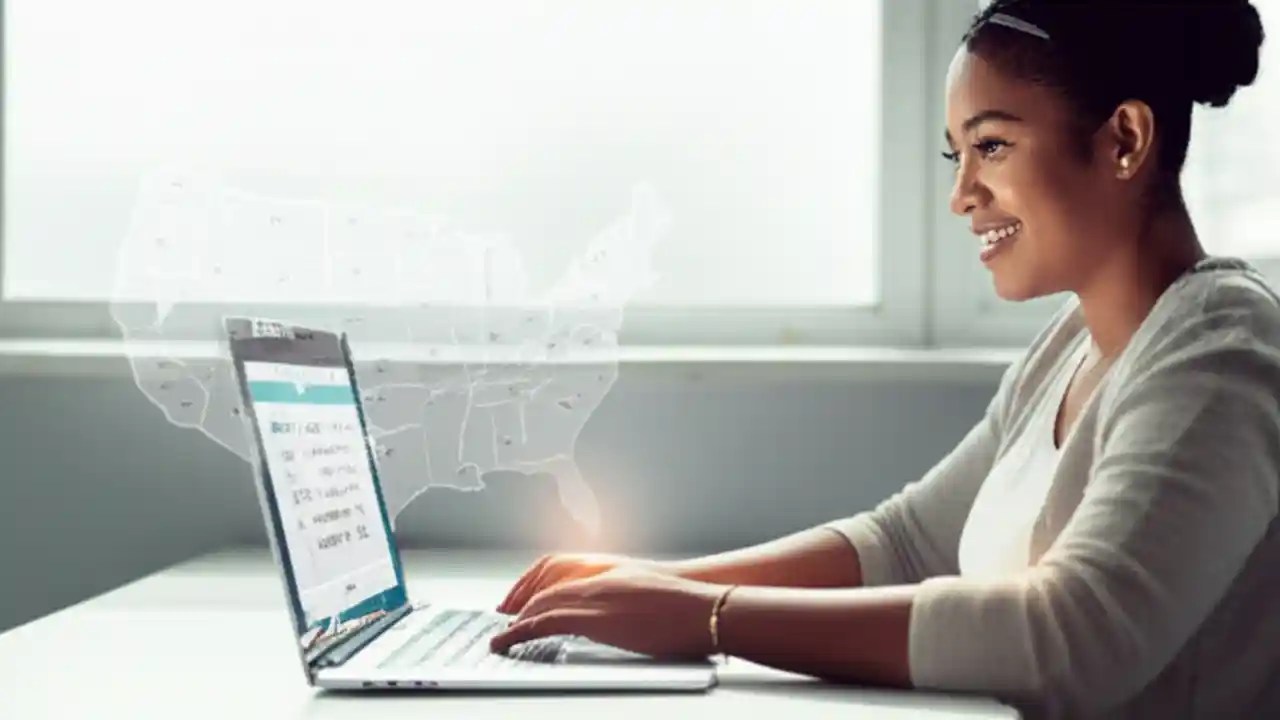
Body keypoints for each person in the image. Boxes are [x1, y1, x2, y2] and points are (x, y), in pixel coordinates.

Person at [488, 2, 1280, 717]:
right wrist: (657, 583)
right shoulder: (1074, 346)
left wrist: (708, 616)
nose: (962, 194)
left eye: (992, 145)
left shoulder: (1220, 349)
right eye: (956, 156)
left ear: (1125, 140)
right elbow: (906, 542)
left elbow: (1069, 639)